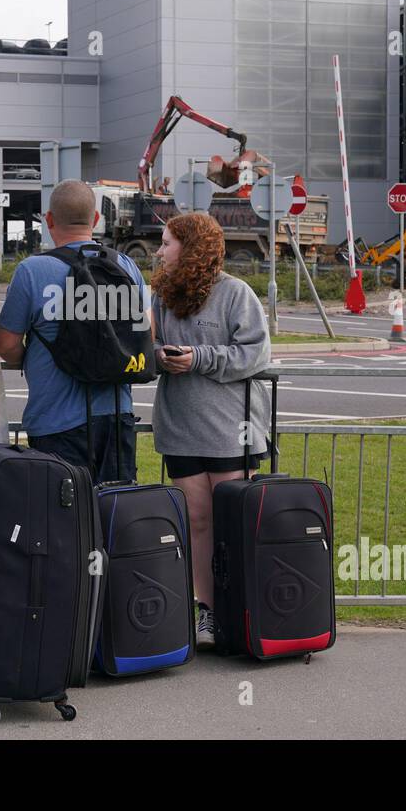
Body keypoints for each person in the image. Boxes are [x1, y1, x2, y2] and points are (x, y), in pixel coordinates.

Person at [150, 212, 271, 649]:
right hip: (181, 427)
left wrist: (199, 358)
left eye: (166, 243)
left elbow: (256, 354)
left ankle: (242, 607)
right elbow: (148, 345)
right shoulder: (162, 295)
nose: (160, 251)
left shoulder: (236, 294)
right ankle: (206, 611)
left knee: (232, 522)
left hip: (229, 430)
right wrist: (160, 355)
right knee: (196, 521)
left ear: (192, 248)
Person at [0, 179, 151, 482]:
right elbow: (147, 331)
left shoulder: (32, 271)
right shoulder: (126, 265)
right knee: (113, 514)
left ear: (49, 219)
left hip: (55, 421)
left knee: (63, 519)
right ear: (95, 219)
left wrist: (31, 356)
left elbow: (6, 344)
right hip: (117, 416)